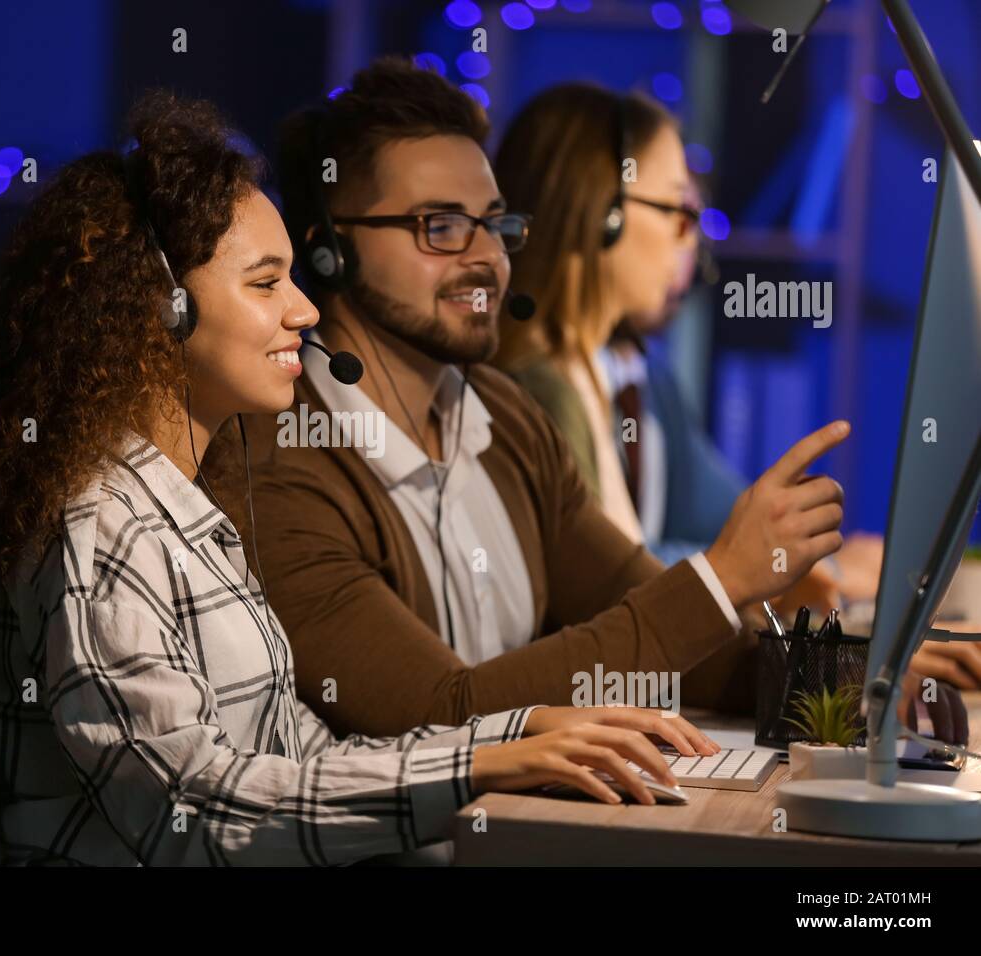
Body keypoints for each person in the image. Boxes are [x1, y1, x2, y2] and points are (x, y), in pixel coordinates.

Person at [0, 90, 720, 867]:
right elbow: (190, 813)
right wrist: (481, 764)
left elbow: (301, 755)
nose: (305, 311)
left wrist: (516, 735)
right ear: (157, 311)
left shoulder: (192, 511)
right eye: (266, 284)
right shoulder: (104, 531)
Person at [241, 57, 851, 739]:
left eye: (496, 225)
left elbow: (653, 624)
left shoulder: (506, 418)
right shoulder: (278, 463)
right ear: (330, 250)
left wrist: (859, 683)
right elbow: (439, 710)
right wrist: (722, 578)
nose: (486, 258)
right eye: (440, 226)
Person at [494, 82, 971, 687]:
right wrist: (833, 655)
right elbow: (611, 595)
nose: (693, 237)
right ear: (602, 212)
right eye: (678, 211)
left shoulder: (633, 376)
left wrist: (796, 564)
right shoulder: (534, 392)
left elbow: (720, 528)